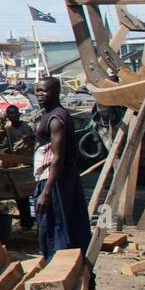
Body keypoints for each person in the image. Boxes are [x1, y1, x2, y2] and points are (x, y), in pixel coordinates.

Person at [32, 77, 92, 264]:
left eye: (44, 91)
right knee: (70, 224)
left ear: (56, 92)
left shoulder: (57, 119)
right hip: (60, 178)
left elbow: (58, 157)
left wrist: (47, 192)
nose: (39, 94)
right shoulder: (50, 114)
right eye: (38, 90)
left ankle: (58, 270)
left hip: (55, 180)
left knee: (55, 227)